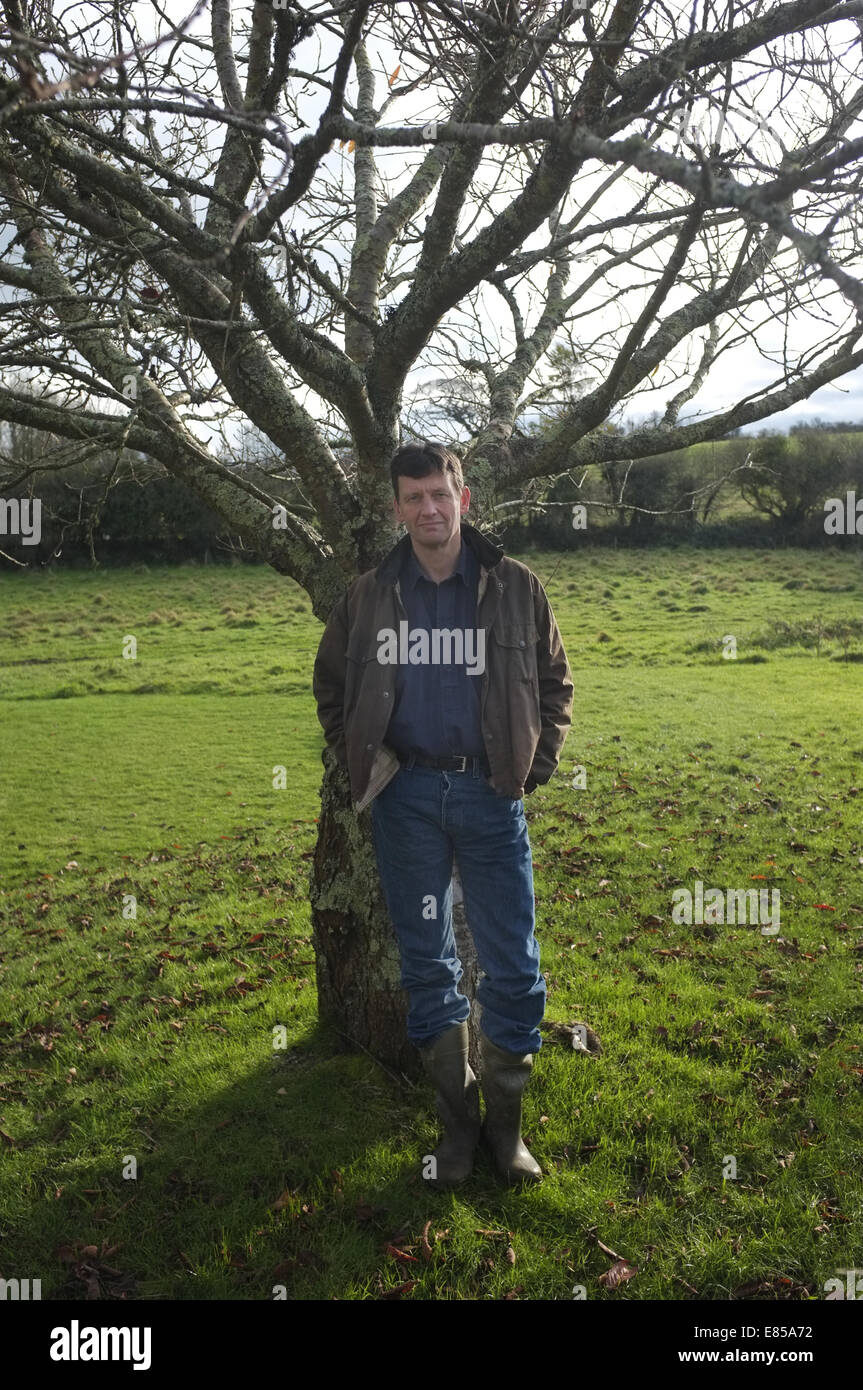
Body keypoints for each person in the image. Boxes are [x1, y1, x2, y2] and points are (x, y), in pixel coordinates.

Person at [313, 442, 573, 1186]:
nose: (428, 508)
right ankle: (456, 1134)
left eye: (440, 493)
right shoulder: (369, 594)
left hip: (492, 799)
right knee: (429, 965)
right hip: (408, 803)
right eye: (413, 496)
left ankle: (507, 1134)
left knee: (513, 967)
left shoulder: (516, 586)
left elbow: (555, 685)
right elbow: (331, 687)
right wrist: (370, 764)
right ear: (396, 508)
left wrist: (531, 767)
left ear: (464, 499)